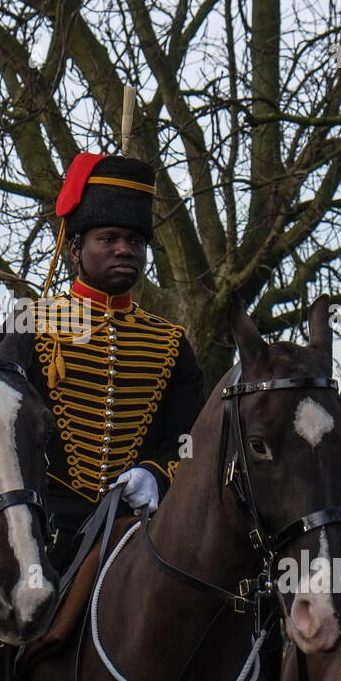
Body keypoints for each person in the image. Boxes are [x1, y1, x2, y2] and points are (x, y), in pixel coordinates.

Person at [13, 152, 205, 572]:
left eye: (135, 242)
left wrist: (157, 473)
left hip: (135, 528)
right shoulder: (31, 323)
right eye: (110, 238)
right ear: (76, 247)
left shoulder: (171, 343)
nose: (125, 250)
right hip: (42, 523)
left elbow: (189, 439)